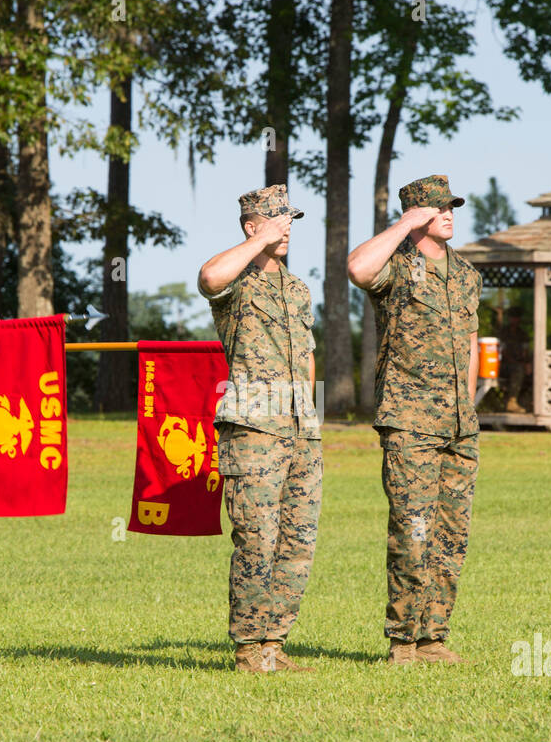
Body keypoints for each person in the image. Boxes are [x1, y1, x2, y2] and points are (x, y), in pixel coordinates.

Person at [347, 174, 481, 665]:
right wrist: (406, 223)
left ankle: (434, 639)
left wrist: (467, 408)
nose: (448, 214)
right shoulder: (397, 268)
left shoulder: (468, 275)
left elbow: (467, 344)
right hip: (409, 420)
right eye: (437, 209)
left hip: (459, 425)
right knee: (413, 528)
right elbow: (358, 269)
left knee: (451, 534)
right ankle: (403, 640)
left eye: (450, 207)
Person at [197, 184, 321, 673]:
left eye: (290, 219)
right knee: (256, 539)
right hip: (253, 429)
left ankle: (275, 643)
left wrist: (311, 416)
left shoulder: (297, 288)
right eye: (276, 219)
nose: (287, 226)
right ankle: (248, 648)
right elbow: (208, 277)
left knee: (297, 543)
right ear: (252, 226)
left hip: (300, 431)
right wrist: (258, 240)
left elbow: (307, 355)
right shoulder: (238, 282)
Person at [500, 307, 531, 412]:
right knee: (518, 370)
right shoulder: (503, 332)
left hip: (518, 365)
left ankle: (526, 403)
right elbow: (502, 352)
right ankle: (512, 401)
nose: (515, 320)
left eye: (517, 317)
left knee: (529, 374)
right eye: (513, 317)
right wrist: (515, 362)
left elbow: (525, 352)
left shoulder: (523, 334)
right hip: (502, 366)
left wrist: (527, 364)